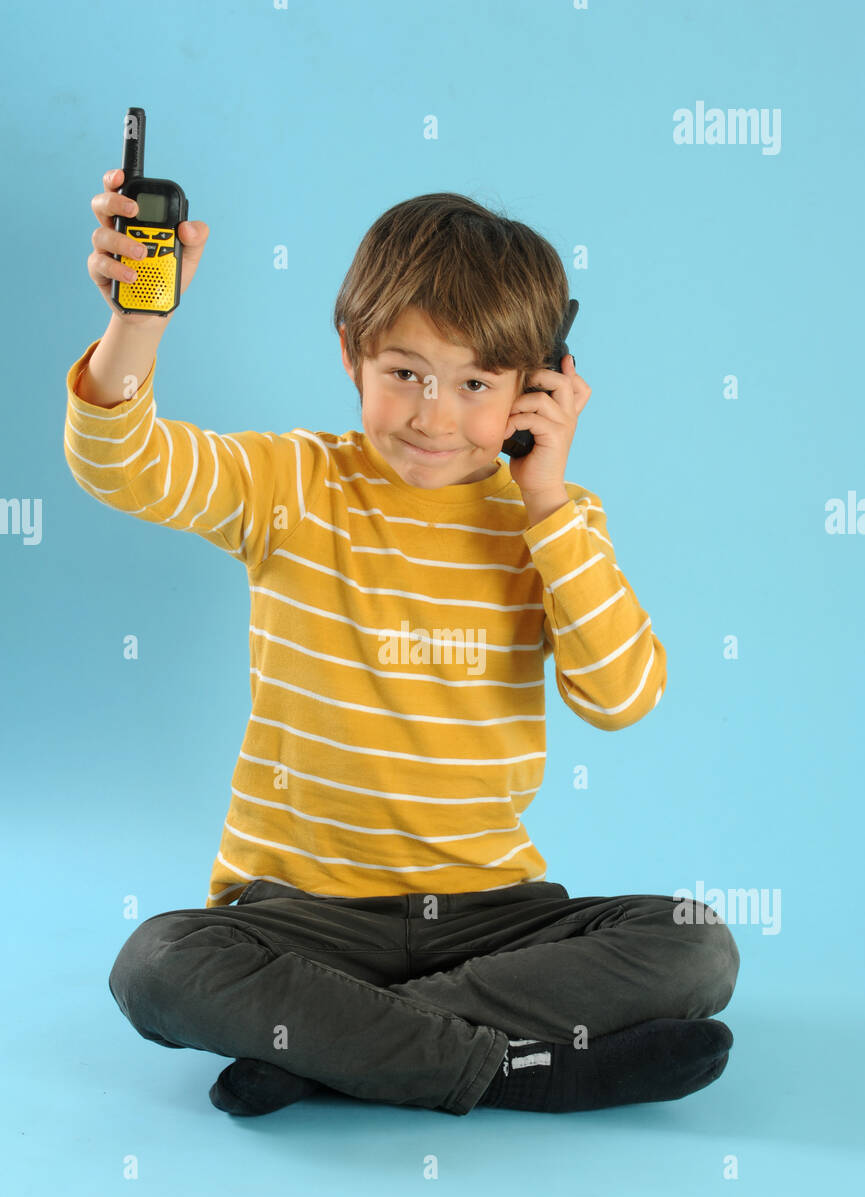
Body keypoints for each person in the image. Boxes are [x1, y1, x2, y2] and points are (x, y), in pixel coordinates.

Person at [63, 173, 739, 1118]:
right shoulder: (290, 483)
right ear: (352, 356)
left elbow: (620, 696)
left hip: (491, 917)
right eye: (405, 374)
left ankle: (328, 1048)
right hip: (295, 919)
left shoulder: (554, 521)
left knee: (696, 942)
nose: (434, 415)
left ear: (537, 385)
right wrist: (139, 322)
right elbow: (120, 464)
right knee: (158, 965)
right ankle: (506, 1070)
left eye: (475, 384)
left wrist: (546, 504)